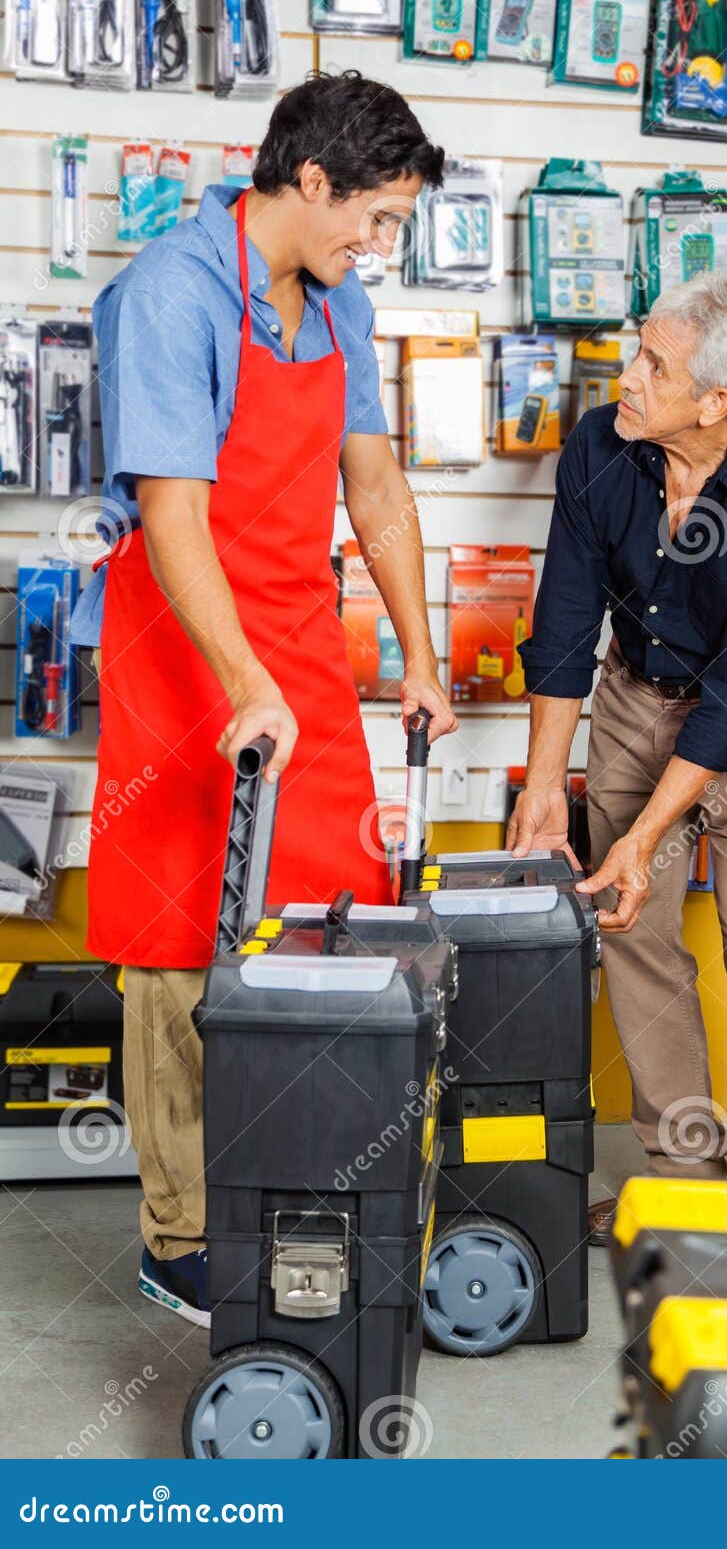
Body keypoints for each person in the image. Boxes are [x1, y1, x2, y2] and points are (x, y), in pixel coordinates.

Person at [74, 72, 457, 1325]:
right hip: (184, 647)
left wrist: (421, 654)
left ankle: (320, 1185)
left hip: (295, 642)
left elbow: (377, 484)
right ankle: (181, 1232)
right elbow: (175, 515)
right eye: (376, 215)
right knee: (179, 949)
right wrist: (244, 685)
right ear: (308, 182)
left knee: (335, 924)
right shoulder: (172, 293)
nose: (380, 242)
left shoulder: (337, 307)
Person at [508, 273, 727, 1240]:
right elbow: (565, 624)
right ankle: (687, 1182)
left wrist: (647, 834)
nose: (628, 375)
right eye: (635, 349)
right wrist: (541, 790)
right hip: (633, 704)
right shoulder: (603, 451)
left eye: (654, 364)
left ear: (716, 402)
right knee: (634, 939)